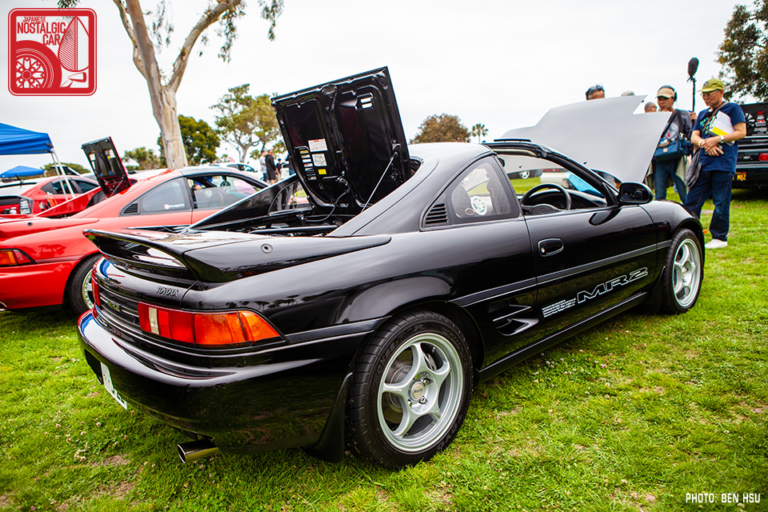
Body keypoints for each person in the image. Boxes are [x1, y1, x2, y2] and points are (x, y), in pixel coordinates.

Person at [683, 79, 747, 249]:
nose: (706, 97)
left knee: (721, 202)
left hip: (723, 163)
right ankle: (687, 232)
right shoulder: (703, 113)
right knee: (692, 200)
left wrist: (718, 139)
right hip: (703, 164)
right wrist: (705, 143)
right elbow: (694, 136)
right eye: (703, 94)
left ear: (721, 92)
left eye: (710, 93)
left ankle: (719, 237)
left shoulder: (732, 108)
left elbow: (741, 132)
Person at [647, 85, 693, 202]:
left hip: (676, 156)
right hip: (659, 158)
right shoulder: (654, 117)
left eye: (665, 99)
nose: (662, 102)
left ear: (673, 99)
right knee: (659, 192)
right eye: (659, 99)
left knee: (683, 189)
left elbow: (689, 133)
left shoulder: (682, 114)